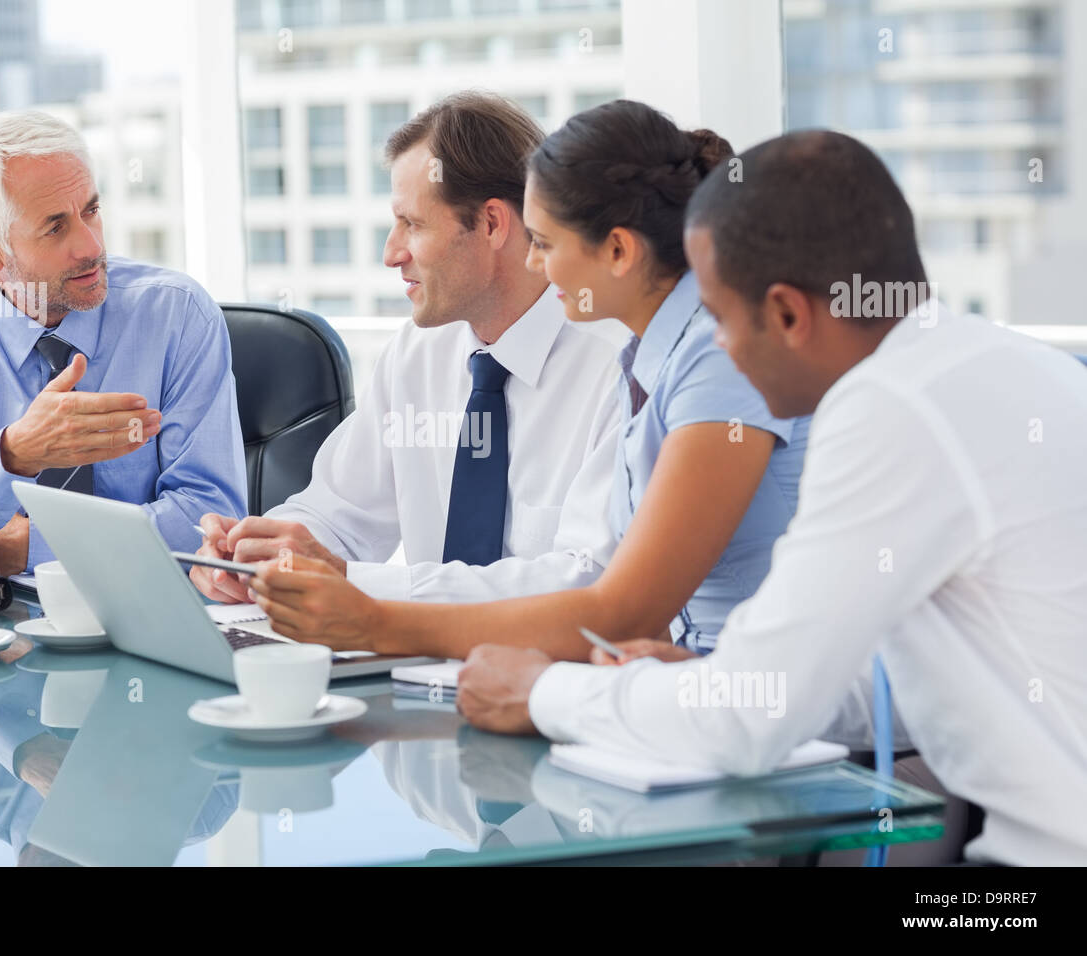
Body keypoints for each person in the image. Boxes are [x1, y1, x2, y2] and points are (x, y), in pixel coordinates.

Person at [456, 130, 1087, 866]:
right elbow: (891, 682)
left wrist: (541, 692)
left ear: (787, 314)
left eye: (721, 318)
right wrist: (711, 679)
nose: (717, 349)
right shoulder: (1000, 367)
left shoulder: (888, 407)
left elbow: (743, 724)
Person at [246, 100, 810, 662]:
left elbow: (613, 605)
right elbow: (640, 624)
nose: (535, 265)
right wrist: (263, 562)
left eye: (543, 243)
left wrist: (375, 617)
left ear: (616, 251)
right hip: (687, 681)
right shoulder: (650, 355)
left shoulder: (697, 357)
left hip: (768, 702)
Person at [190, 92, 623, 607]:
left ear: (490, 224)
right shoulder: (417, 352)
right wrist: (253, 552)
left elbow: (590, 580)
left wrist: (351, 581)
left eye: (412, 225)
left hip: (555, 673)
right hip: (421, 667)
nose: (391, 253)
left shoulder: (619, 364)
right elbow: (336, 513)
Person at [0, 110, 246, 576]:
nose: (89, 246)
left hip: (155, 619)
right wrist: (12, 454)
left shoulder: (177, 316)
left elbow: (212, 520)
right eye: (55, 227)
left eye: (91, 210)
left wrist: (34, 548)